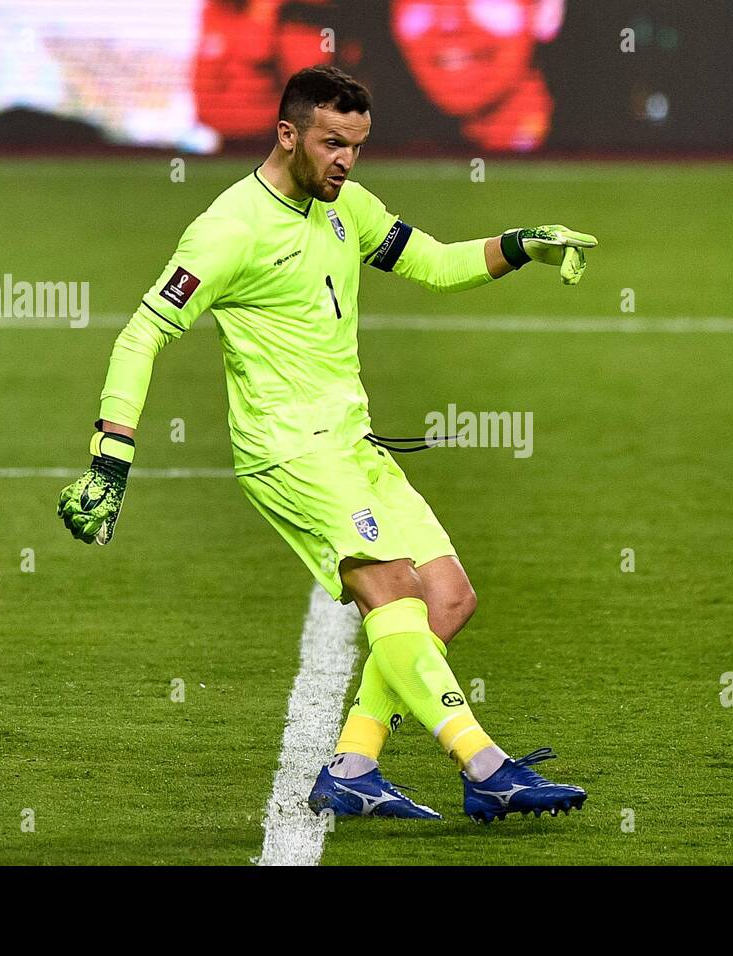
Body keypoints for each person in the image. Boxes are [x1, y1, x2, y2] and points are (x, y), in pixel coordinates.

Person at [57, 65, 596, 822]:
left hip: (353, 442)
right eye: (331, 142)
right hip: (287, 448)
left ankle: (352, 766)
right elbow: (143, 331)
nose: (345, 160)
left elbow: (437, 265)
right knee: (397, 594)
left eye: (357, 146)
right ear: (288, 134)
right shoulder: (229, 228)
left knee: (447, 599)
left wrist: (520, 244)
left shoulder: (350, 210)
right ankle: (486, 766)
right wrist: (111, 455)